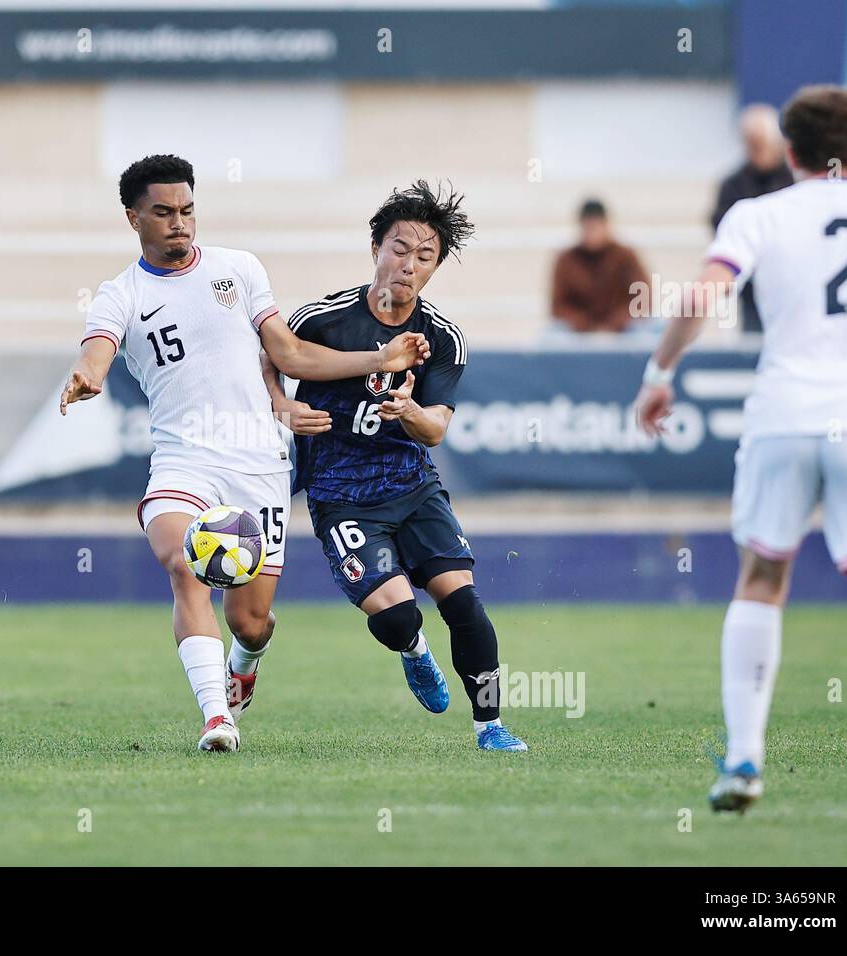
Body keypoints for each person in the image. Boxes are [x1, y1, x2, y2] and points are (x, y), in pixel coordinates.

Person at [60, 155, 430, 752]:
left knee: (249, 620)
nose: (179, 223)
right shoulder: (119, 294)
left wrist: (379, 359)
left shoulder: (239, 268)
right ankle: (216, 719)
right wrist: (87, 374)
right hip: (184, 462)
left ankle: (246, 659)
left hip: (260, 465)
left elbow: (288, 354)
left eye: (187, 210)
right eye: (163, 213)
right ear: (134, 218)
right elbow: (97, 348)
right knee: (185, 564)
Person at [634, 85, 847, 823]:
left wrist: (659, 374)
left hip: (782, 414)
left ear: (791, 152)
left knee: (760, 577)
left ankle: (744, 759)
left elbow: (704, 296)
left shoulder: (758, 214)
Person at [265, 181, 528, 752]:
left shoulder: (442, 337)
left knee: (464, 604)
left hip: (411, 486)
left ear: (436, 268)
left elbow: (436, 428)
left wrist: (409, 410)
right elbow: (270, 359)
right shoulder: (323, 318)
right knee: (395, 618)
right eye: (400, 249)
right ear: (376, 248)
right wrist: (283, 406)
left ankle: (491, 726)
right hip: (339, 491)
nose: (409, 265)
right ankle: (414, 652)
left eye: (425, 256)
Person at [711, 103, 795, 333]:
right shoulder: (733, 185)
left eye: (760, 143)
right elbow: (721, 231)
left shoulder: (795, 182)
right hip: (753, 290)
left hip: (793, 285)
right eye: (750, 143)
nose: (755, 150)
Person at [549, 199, 651, 335]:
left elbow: (642, 299)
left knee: (645, 331)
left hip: (622, 331)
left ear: (605, 225)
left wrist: (615, 324)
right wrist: (583, 324)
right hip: (578, 333)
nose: (591, 233)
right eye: (587, 228)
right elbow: (558, 306)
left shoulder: (625, 256)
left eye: (595, 227)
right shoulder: (566, 260)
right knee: (552, 335)